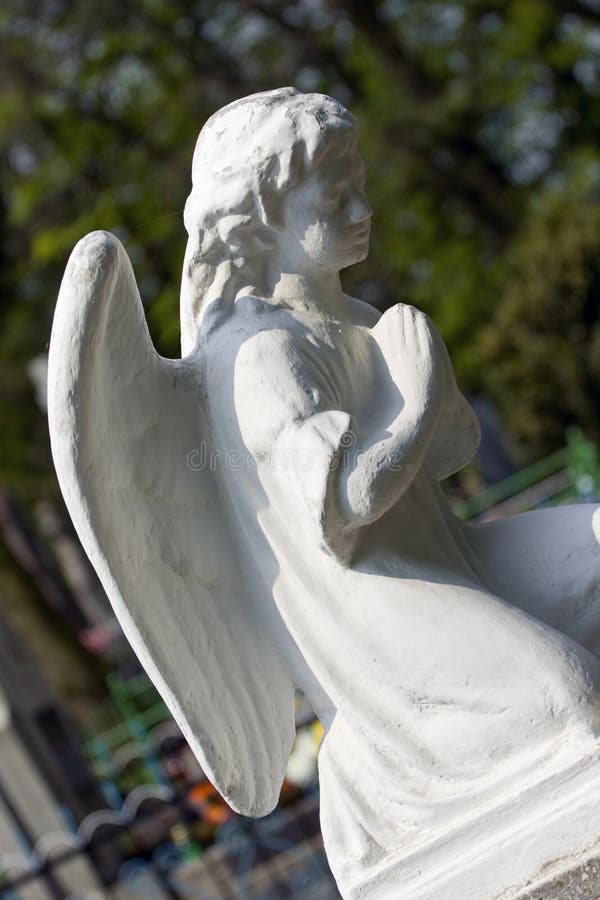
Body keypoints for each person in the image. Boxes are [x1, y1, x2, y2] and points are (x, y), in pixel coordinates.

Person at [49, 88, 600, 899]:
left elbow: (454, 451)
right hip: (386, 618)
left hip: (462, 563)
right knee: (572, 699)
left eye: (360, 182)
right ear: (262, 217)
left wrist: (429, 388)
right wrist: (411, 402)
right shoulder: (257, 359)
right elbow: (341, 508)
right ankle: (376, 760)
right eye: (334, 195)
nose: (361, 208)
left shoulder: (353, 317)